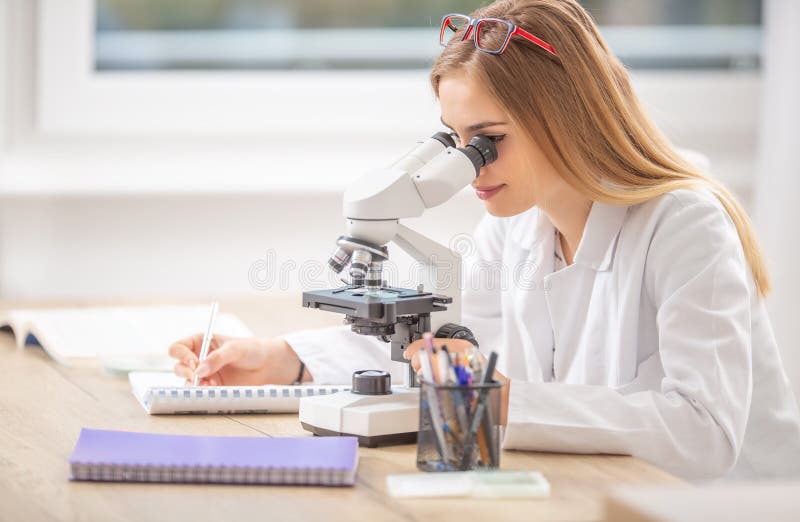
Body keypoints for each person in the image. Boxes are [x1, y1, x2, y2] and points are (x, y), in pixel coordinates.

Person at [168, 0, 800, 481]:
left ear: (566, 119)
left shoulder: (685, 224)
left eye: (487, 139)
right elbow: (461, 354)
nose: (470, 164)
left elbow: (705, 434)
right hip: (589, 489)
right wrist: (287, 360)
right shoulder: (517, 223)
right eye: (454, 138)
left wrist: (494, 405)